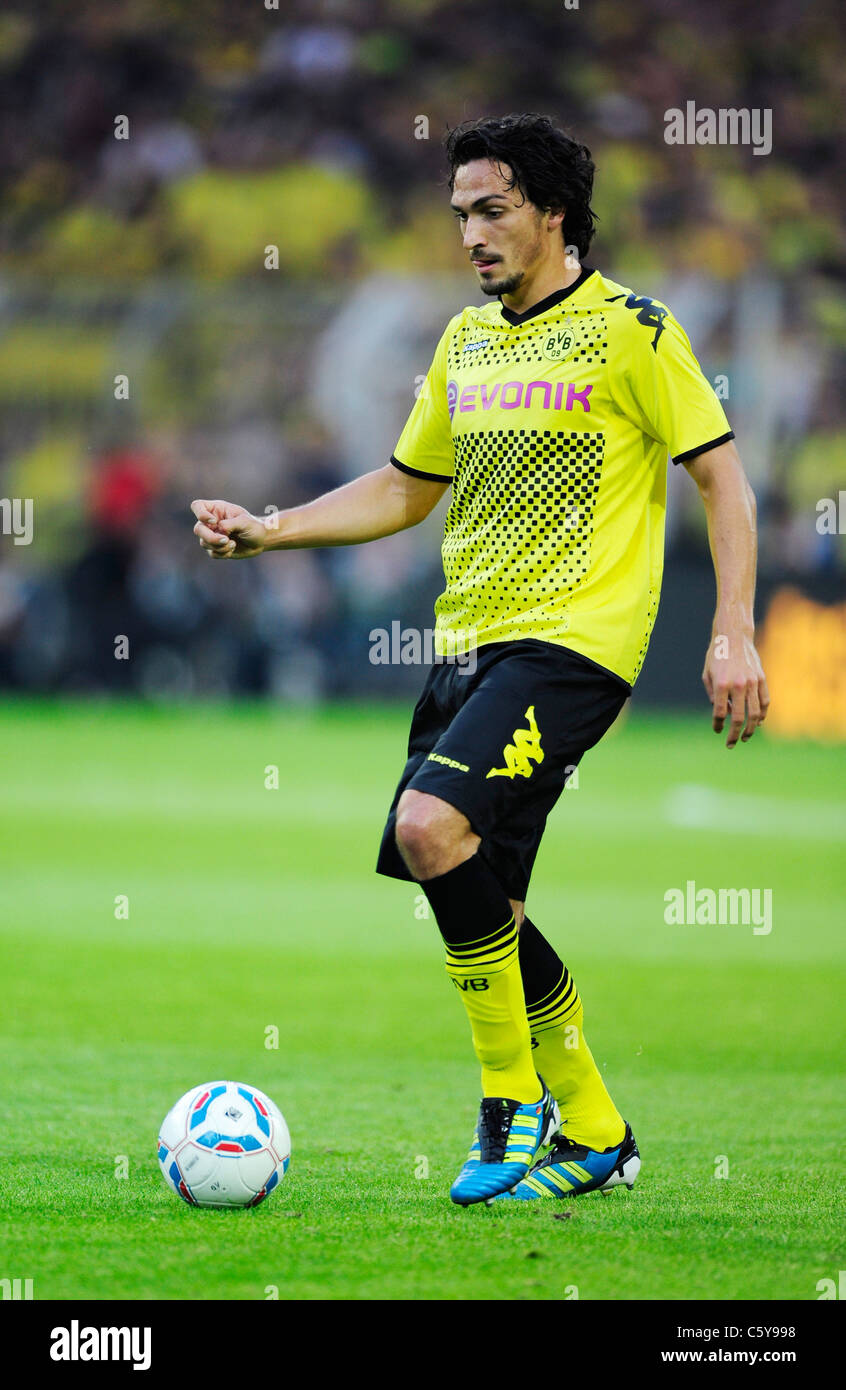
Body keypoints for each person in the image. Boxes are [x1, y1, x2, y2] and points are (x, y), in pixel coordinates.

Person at [191, 113, 769, 1208]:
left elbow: (721, 478)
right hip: (468, 645)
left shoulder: (633, 332)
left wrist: (731, 624)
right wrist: (273, 527)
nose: (471, 234)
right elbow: (408, 487)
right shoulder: (468, 341)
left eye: (492, 209)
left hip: (573, 647)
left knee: (427, 828)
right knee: (477, 890)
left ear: (554, 212)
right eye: (460, 213)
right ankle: (597, 1128)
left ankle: (511, 1102)